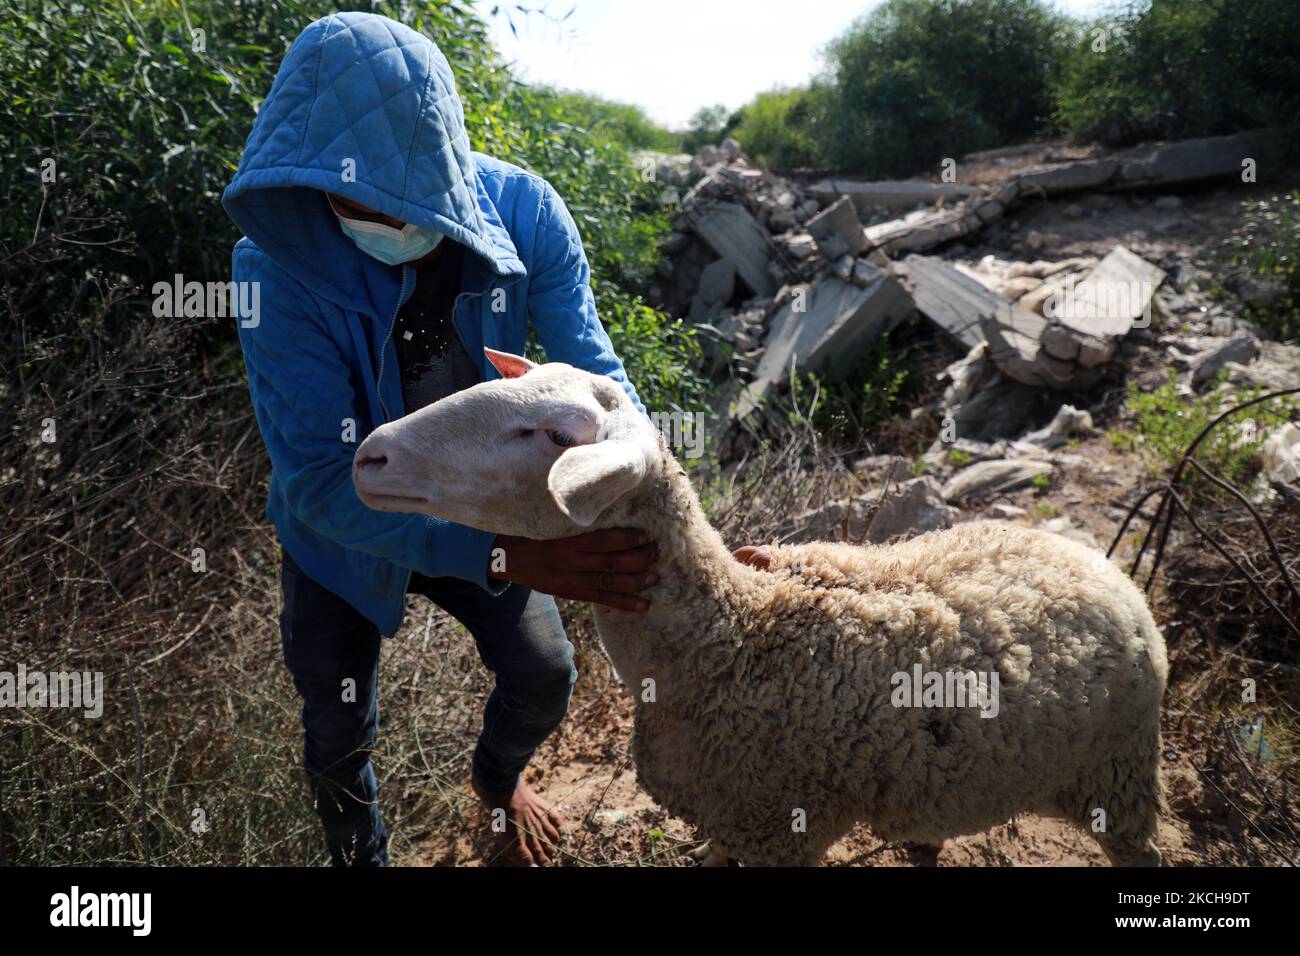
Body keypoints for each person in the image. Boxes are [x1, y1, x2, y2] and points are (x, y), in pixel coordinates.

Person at [223, 11, 770, 868]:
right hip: (341, 531)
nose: (364, 215)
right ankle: (358, 853)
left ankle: (497, 784)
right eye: (341, 197)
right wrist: (512, 563)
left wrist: (704, 552)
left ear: (438, 153)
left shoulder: (526, 216)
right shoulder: (276, 268)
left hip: (493, 510)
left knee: (545, 676)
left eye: (390, 194)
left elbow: (603, 391)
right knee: (336, 727)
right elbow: (324, 483)